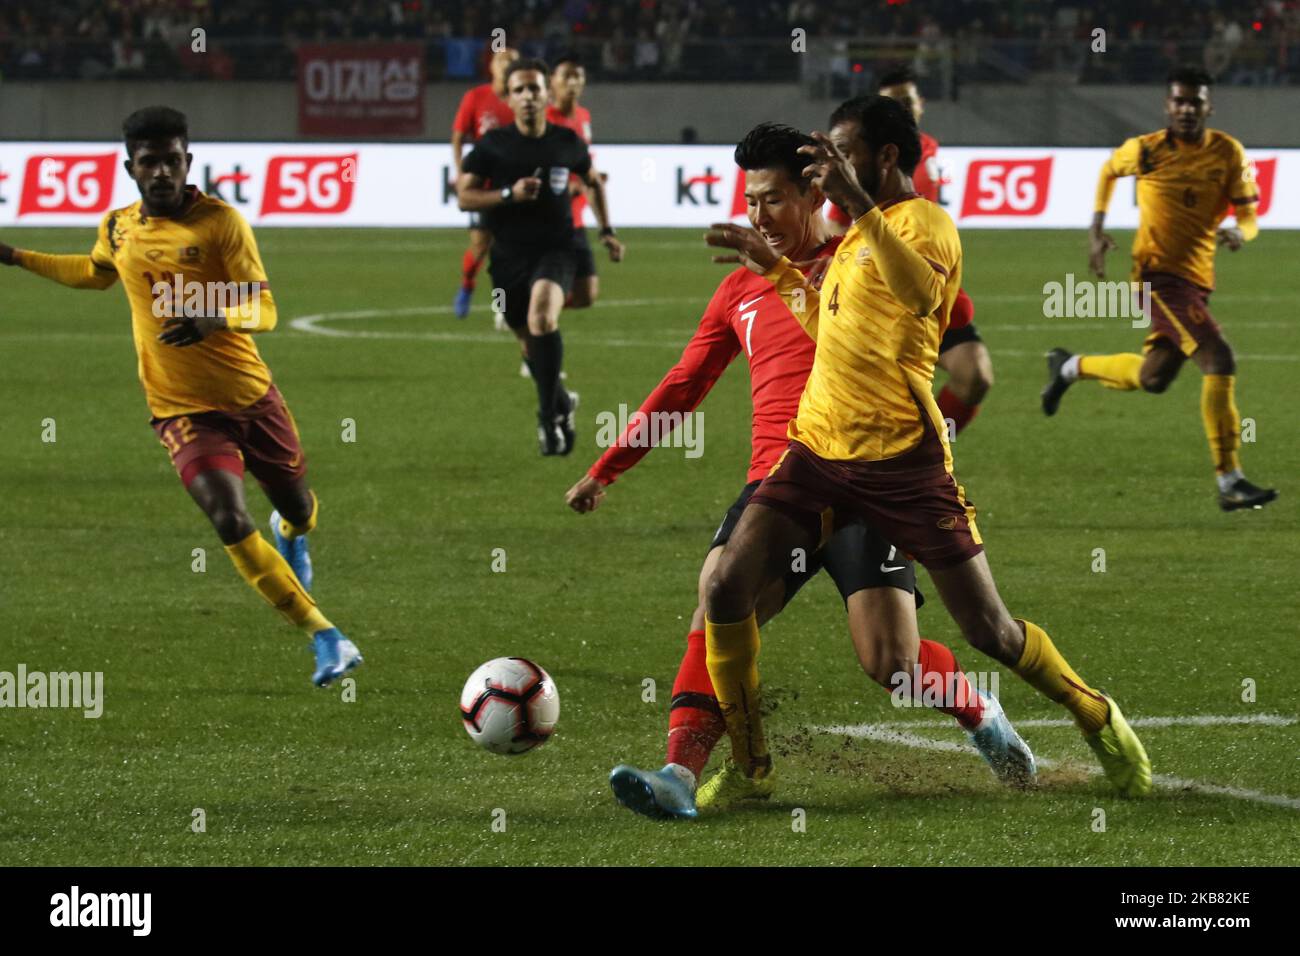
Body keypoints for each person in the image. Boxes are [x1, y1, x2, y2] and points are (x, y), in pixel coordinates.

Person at [565, 123, 1033, 819]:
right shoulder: (737, 293)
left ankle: (979, 713)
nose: (759, 216)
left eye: (774, 198)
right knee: (719, 597)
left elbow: (934, 303)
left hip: (867, 479)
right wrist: (607, 469)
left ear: (815, 192)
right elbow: (685, 384)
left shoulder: (862, 261)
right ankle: (679, 772)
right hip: (778, 486)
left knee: (891, 664)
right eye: (751, 200)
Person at [702, 96, 1152, 806]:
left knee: (989, 630)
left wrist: (859, 207)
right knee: (725, 587)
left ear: (884, 158)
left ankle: (1096, 714)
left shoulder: (927, 225)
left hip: (900, 466)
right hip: (815, 450)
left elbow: (920, 298)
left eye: (845, 156)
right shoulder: (853, 237)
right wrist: (781, 272)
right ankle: (751, 768)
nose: (832, 174)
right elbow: (830, 326)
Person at [0, 106, 361, 687]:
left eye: (172, 160)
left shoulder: (222, 225)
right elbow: (93, 273)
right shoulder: (118, 226)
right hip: (181, 410)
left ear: (188, 161)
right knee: (226, 516)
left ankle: (292, 534)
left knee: (296, 506)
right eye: (150, 162)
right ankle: (326, 636)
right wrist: (15, 256)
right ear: (131, 167)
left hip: (250, 396)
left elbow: (264, 309)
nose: (162, 171)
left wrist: (211, 320)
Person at [1041, 67, 1275, 512]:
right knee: (1218, 357)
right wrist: (1096, 229)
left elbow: (1249, 214)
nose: (1186, 109)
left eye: (1195, 101)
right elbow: (1109, 171)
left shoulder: (1228, 152)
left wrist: (1243, 234)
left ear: (1209, 106)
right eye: (1179, 101)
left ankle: (1069, 366)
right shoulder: (1145, 150)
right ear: (1167, 106)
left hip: (1197, 280)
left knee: (1155, 377)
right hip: (1157, 278)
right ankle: (1230, 479)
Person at [457, 58, 624, 456]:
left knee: (542, 317)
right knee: (529, 343)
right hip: (509, 255)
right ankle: (563, 403)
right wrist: (507, 195)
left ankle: (548, 418)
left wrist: (606, 230)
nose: (528, 97)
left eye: (534, 89)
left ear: (545, 94)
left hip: (558, 247)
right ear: (509, 99)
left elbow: (593, 181)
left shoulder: (567, 141)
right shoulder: (492, 146)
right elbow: (464, 196)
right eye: (519, 90)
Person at [827, 66, 991, 436]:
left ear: (921, 103)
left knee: (974, 375)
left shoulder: (926, 147)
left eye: (906, 100)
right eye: (892, 103)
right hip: (879, 283)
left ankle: (925, 453)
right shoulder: (866, 158)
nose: (901, 108)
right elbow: (837, 222)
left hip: (926, 276)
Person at [450, 47, 519, 319]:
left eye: (512, 62)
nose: (506, 66)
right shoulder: (476, 98)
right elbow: (458, 137)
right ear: (492, 67)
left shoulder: (525, 101)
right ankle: (467, 284)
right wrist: (461, 173)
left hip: (517, 185)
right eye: (501, 61)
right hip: (484, 186)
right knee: (480, 246)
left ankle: (505, 302)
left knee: (517, 246)